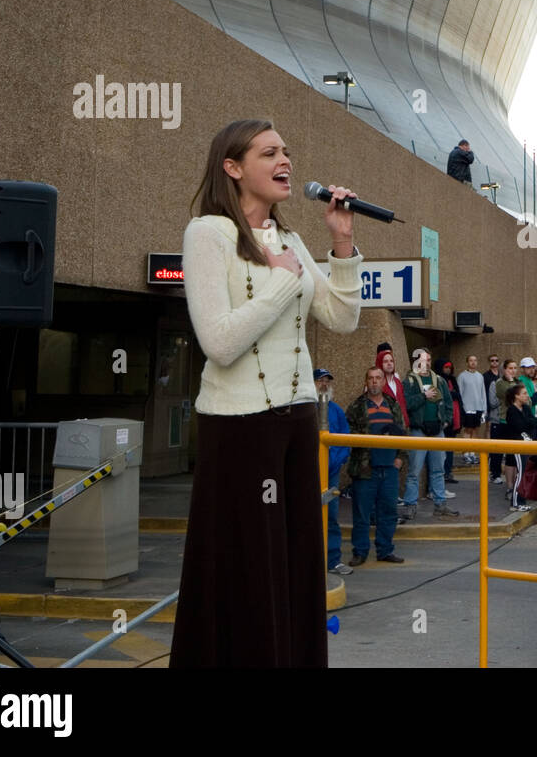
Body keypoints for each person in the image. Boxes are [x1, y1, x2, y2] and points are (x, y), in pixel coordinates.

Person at [172, 118, 362, 667]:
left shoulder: (291, 240)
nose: (286, 161)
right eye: (270, 152)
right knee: (246, 568)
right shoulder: (207, 233)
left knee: (295, 563)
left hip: (297, 420)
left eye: (286, 151)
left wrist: (341, 242)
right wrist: (280, 281)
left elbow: (342, 318)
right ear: (232, 167)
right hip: (238, 427)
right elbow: (219, 342)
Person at [344, 366, 409, 565]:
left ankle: (385, 550)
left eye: (378, 378)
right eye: (371, 378)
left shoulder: (392, 404)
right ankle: (360, 552)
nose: (374, 381)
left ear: (383, 381)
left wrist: (400, 457)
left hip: (389, 468)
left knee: (388, 512)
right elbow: (346, 433)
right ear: (366, 381)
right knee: (362, 513)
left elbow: (402, 432)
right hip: (365, 469)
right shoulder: (357, 406)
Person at [404, 348, 457, 519]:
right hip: (418, 430)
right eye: (422, 360)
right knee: (414, 471)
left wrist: (446, 420)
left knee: (438, 470)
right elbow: (406, 404)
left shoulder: (439, 380)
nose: (425, 363)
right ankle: (410, 505)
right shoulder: (410, 381)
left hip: (437, 430)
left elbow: (448, 402)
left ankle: (440, 504)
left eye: (428, 359)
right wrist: (423, 395)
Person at [315, 369, 354, 574]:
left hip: (331, 473)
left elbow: (344, 438)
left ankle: (333, 560)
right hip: (308, 472)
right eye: (320, 380)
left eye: (327, 381)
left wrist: (336, 462)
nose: (324, 384)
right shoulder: (305, 409)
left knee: (331, 516)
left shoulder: (336, 410)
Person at [498, 381, 537, 511]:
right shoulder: (511, 411)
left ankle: (521, 500)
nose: (527, 396)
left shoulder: (526, 408)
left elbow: (535, 422)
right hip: (518, 446)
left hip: (528, 444)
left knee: (524, 473)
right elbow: (520, 426)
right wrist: (528, 422)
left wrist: (528, 422)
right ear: (516, 396)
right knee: (521, 473)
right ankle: (515, 503)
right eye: (524, 393)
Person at [434, 357, 462, 482]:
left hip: (454, 416)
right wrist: (453, 394)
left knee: (450, 447)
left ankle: (448, 472)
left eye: (450, 367)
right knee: (442, 448)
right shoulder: (438, 380)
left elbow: (458, 396)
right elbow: (443, 396)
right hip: (444, 418)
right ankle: (443, 472)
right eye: (446, 367)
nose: (448, 370)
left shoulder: (452, 380)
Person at [457, 355, 488, 460]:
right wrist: (462, 408)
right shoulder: (462, 376)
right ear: (467, 362)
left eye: (475, 360)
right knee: (467, 430)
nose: (473, 362)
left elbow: (483, 393)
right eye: (471, 360)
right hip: (467, 408)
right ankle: (465, 453)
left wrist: (484, 409)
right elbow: (459, 393)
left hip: (478, 407)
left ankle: (472, 453)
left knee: (475, 430)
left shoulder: (480, 376)